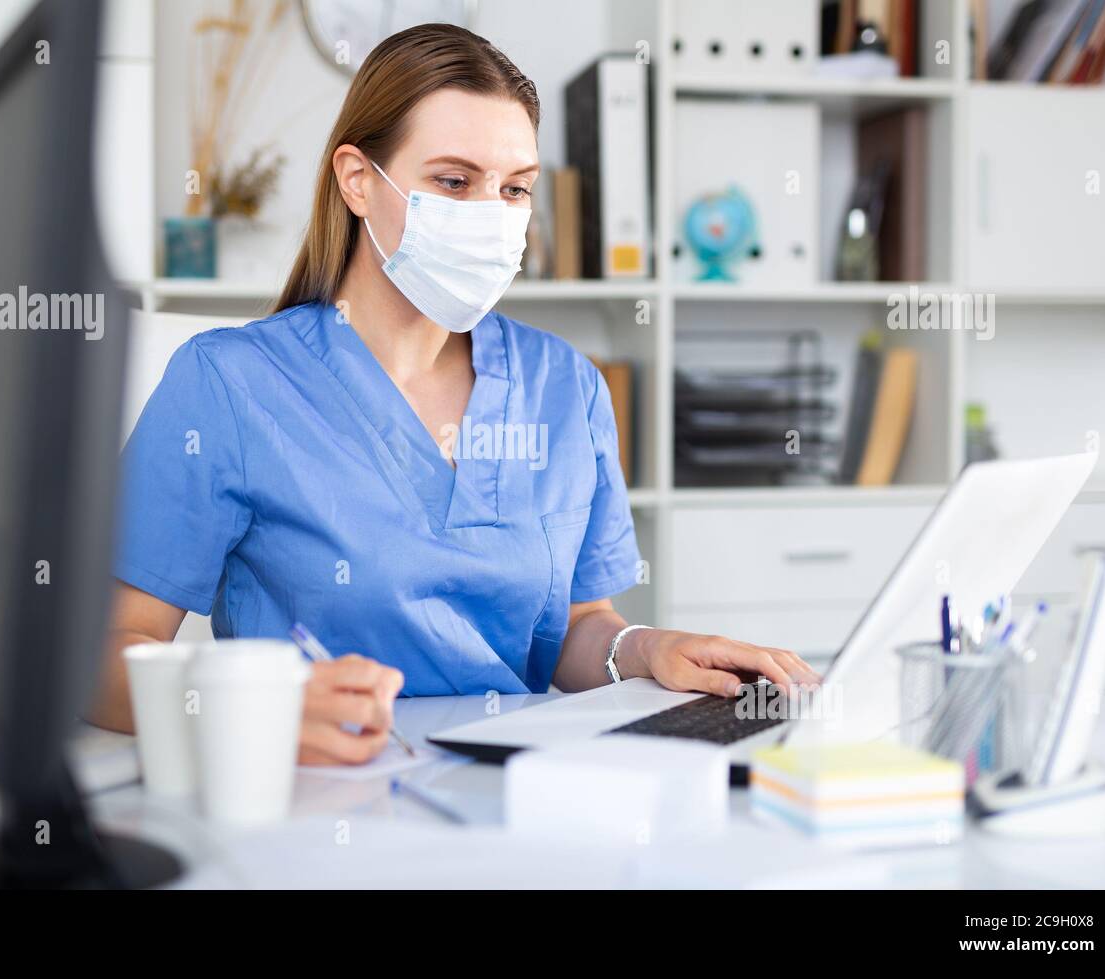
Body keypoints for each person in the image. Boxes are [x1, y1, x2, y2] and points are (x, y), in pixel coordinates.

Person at [89, 24, 819, 764]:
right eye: (452, 181)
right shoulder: (230, 384)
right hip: (318, 800)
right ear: (358, 179)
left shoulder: (565, 387)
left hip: (516, 794)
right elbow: (103, 656)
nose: (490, 215)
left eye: (515, 189)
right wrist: (252, 713)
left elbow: (573, 627)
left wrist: (648, 646)